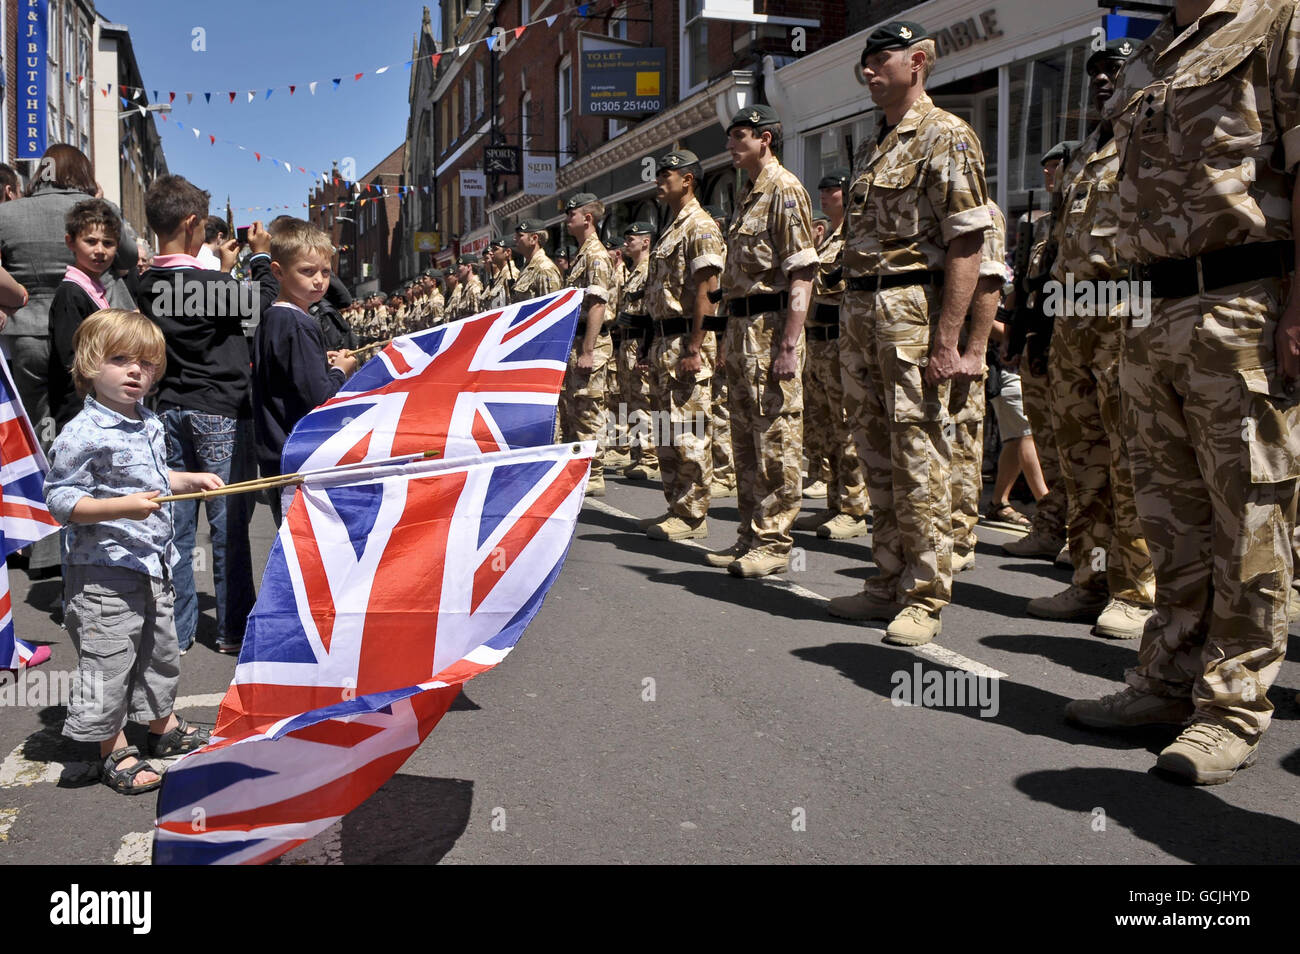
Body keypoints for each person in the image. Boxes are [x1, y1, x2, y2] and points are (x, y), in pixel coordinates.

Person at [1067, 0, 1300, 784]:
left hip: (1242, 301)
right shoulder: (1156, 53)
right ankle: (1166, 682)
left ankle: (1230, 709)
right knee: (1172, 515)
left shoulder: (1278, 20)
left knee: (1250, 517)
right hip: (1150, 309)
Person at [827, 22, 992, 645]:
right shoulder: (876, 144)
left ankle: (924, 595)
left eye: (880, 59)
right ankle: (885, 581)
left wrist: (950, 340)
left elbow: (967, 241)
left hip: (910, 312)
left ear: (918, 61)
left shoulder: (945, 134)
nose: (868, 72)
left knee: (919, 457)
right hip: (863, 314)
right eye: (863, 64)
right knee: (875, 453)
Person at [43, 309, 220, 794]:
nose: (135, 371)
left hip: (152, 564)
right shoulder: (81, 432)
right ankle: (112, 747)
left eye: (146, 362)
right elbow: (60, 500)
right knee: (109, 660)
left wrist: (189, 480)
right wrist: (120, 507)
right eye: (120, 360)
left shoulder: (149, 422)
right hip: (103, 572)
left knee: (159, 654)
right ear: (89, 366)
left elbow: (155, 483)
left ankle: (162, 728)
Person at [1031, 38, 1154, 639]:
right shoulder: (1084, 153)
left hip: (1125, 311)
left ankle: (1136, 589)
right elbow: (1057, 243)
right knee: (1082, 457)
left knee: (1130, 455)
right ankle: (1092, 576)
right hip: (1072, 316)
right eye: (1098, 72)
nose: (1105, 78)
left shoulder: (1150, 139)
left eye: (1118, 69)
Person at [0, 144, 137, 576]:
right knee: (72, 439)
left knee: (35, 441)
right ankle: (65, 544)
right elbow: (130, 257)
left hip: (22, 333)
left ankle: (37, 541)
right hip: (79, 331)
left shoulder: (11, 212)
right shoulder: (96, 208)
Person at [136, 174, 256, 656]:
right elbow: (259, 313)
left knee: (176, 529)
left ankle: (178, 632)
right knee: (227, 526)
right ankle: (230, 631)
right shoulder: (210, 284)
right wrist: (253, 263)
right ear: (191, 224)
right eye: (204, 227)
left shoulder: (142, 285)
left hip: (168, 409)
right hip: (220, 409)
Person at [706, 106, 817, 578]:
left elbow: (802, 271)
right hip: (741, 330)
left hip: (772, 330)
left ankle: (775, 542)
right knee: (746, 441)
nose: (733, 144)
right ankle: (749, 535)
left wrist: (790, 344)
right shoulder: (746, 191)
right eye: (730, 136)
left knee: (776, 438)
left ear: (766, 139)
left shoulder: (784, 189)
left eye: (742, 136)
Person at [642, 151, 726, 541]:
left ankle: (693, 514)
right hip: (664, 340)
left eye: (667, 173)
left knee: (689, 429)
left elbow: (708, 293)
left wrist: (696, 347)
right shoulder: (671, 225)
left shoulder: (700, 226)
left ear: (688, 179)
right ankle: (675, 506)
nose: (660, 180)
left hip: (685, 341)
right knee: (665, 429)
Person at [252, 222, 358, 525]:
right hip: (296, 457)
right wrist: (340, 370)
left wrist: (318, 363)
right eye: (307, 271)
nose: (319, 281)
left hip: (277, 452)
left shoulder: (274, 316)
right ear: (278, 272)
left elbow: (285, 375)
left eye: (325, 272)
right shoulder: (299, 323)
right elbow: (319, 400)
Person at [1001, 145, 1075, 561]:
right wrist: (1013, 337)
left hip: (1073, 342)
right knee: (1048, 447)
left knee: (1078, 449)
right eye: (1045, 167)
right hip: (1037, 345)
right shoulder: (1040, 226)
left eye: (1057, 167)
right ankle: (1050, 528)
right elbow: (1022, 291)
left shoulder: (1079, 225)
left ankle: (1083, 539)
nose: (1049, 174)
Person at [793, 170, 870, 540]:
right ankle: (834, 502)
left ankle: (854, 508)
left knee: (846, 427)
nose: (825, 195)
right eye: (821, 190)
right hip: (817, 345)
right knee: (823, 429)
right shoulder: (824, 242)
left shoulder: (855, 236)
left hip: (841, 342)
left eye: (833, 190)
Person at [948, 202, 1008, 571]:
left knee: (962, 441)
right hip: (928, 338)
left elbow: (988, 279)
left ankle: (959, 535)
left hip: (963, 342)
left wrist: (975, 350)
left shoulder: (985, 211)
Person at [48, 199, 122, 432]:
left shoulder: (93, 288)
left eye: (108, 243)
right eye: (90, 241)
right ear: (70, 242)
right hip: (79, 408)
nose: (100, 250)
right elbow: (71, 356)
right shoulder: (71, 292)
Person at [561, 193, 616, 496]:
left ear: (588, 218)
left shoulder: (595, 255)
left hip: (590, 342)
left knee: (588, 411)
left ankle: (593, 473)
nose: (567, 218)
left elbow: (597, 305)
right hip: (579, 340)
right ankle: (581, 468)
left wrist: (587, 351)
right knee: (576, 410)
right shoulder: (582, 253)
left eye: (572, 213)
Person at [617, 222, 659, 481]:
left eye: (630, 238)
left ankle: (650, 456)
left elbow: (650, 312)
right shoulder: (634, 272)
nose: (625, 244)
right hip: (627, 343)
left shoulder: (648, 271)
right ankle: (637, 454)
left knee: (643, 401)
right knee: (632, 401)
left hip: (639, 342)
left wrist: (647, 347)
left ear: (645, 242)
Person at [702, 204, 736, 498]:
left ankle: (726, 473)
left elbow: (724, 308)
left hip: (724, 339)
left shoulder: (725, 258)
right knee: (712, 408)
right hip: (712, 338)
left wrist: (723, 346)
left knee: (722, 409)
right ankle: (717, 468)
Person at [511, 220, 565, 303]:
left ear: (534, 239)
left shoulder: (544, 268)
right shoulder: (526, 268)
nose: (515, 239)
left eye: (520, 235)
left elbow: (550, 307)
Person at [483, 238, 518, 310]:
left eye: (495, 249)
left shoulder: (511, 275)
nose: (491, 253)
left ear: (507, 252)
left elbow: (512, 305)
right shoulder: (500, 276)